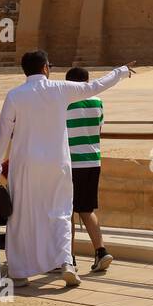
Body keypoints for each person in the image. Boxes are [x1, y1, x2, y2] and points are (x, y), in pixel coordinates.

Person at [0, 51, 134, 288]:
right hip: (57, 163)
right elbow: (94, 86)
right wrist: (121, 72)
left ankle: (20, 271)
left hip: (25, 165)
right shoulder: (60, 89)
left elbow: (3, 133)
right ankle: (66, 262)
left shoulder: (14, 96)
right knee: (61, 212)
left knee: (21, 216)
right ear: (45, 67)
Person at [64, 67, 114, 273]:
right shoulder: (97, 101)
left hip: (71, 162)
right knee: (86, 209)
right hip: (93, 161)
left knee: (66, 212)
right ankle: (101, 251)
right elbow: (99, 129)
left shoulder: (64, 103)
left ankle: (69, 258)